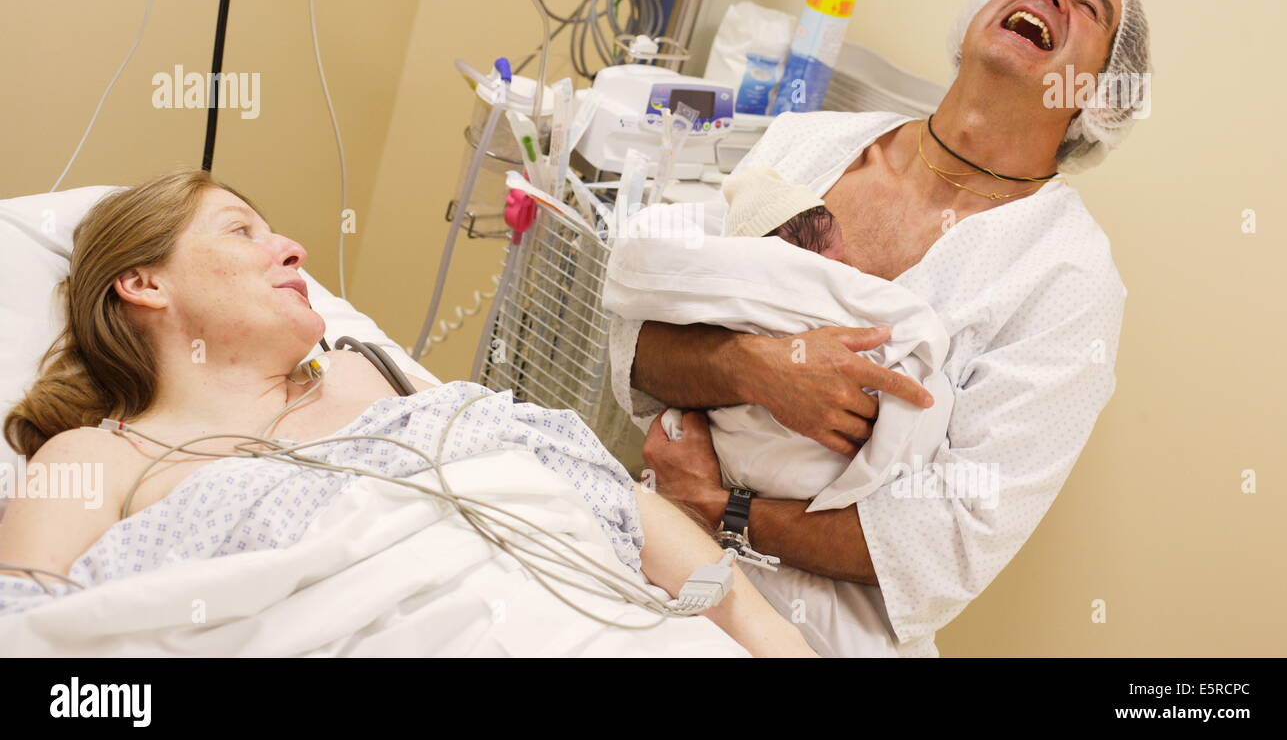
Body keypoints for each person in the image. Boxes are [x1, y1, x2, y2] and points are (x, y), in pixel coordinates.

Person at [0, 170, 815, 657]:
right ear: (144, 284)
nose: (292, 251)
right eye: (241, 230)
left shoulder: (377, 383)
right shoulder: (99, 459)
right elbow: (28, 643)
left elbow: (645, 532)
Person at [607, 0, 1151, 656]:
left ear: (1101, 98)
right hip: (648, 548)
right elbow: (639, 340)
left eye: (1090, 6)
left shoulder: (1066, 277)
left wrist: (722, 510)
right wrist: (755, 368)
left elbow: (953, 542)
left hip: (818, 631)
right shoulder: (806, 146)